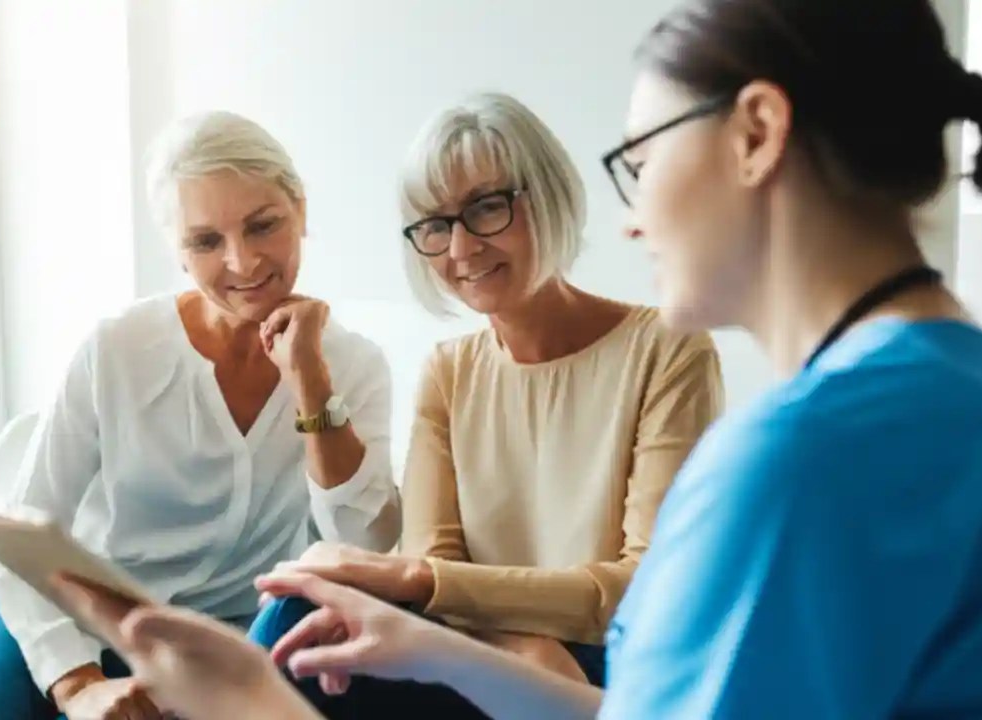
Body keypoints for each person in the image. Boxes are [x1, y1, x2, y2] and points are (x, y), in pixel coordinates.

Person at [53, 0, 982, 717]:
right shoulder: (958, 390)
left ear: (755, 133)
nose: (632, 218)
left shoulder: (809, 454)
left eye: (637, 161)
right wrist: (436, 642)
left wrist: (241, 702)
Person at [0, 111, 400, 720]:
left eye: (263, 225)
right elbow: (20, 537)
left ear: (299, 209)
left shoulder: (353, 364)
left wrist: (311, 381)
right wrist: (78, 683)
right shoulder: (118, 348)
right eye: (206, 242)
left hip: (223, 643)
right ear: (177, 248)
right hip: (67, 614)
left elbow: (366, 544)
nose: (243, 263)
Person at [245, 92, 722, 714]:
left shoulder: (666, 349)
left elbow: (645, 588)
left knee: (302, 621)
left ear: (547, 196)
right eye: (436, 225)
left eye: (487, 208)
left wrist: (429, 587)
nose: (461, 249)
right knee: (301, 614)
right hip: (479, 649)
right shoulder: (449, 370)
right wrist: (515, 645)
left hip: (608, 661)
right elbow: (431, 564)